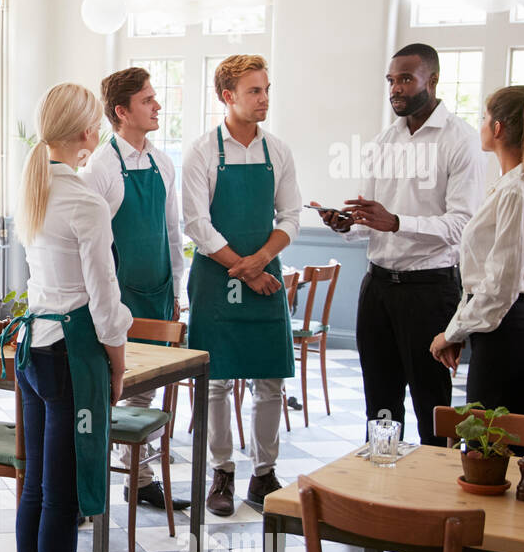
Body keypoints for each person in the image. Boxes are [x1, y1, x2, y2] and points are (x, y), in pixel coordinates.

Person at [7, 82, 129, 552]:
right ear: (89, 134)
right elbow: (104, 301)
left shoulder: (32, 187)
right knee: (60, 495)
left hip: (33, 346)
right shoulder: (83, 200)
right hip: (68, 355)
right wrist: (119, 360)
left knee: (34, 486)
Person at [316, 43, 483, 445]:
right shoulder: (383, 142)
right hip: (377, 288)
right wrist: (345, 224)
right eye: (391, 80)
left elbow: (463, 224)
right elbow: (370, 222)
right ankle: (383, 489)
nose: (396, 89)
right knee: (380, 401)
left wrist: (396, 222)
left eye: (406, 79)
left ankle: (434, 500)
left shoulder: (460, 140)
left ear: (433, 79)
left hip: (430, 289)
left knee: (432, 404)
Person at [182, 54, 301, 516]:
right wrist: (248, 270)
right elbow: (197, 224)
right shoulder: (201, 152)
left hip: (265, 274)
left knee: (269, 380)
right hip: (218, 280)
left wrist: (262, 260)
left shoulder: (280, 151)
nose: (264, 98)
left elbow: (290, 218)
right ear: (227, 96)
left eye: (267, 88)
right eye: (255, 90)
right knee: (216, 382)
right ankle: (222, 472)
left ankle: (264, 473)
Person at [81, 66, 187, 512]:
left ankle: (139, 478)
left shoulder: (163, 162)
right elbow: (90, 244)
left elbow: (172, 231)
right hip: (119, 296)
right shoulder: (100, 167)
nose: (157, 106)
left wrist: (178, 289)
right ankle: (92, 480)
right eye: (148, 100)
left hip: (159, 290)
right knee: (112, 388)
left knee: (150, 389)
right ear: (122, 112)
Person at [430, 86, 524, 415]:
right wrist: (463, 329)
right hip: (502, 327)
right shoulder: (513, 186)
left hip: (508, 330)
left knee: (491, 448)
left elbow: (499, 287)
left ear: (498, 128)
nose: (480, 124)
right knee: (490, 447)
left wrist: (451, 333)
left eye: (484, 117)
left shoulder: (517, 192)